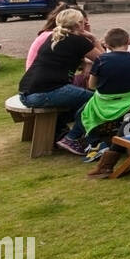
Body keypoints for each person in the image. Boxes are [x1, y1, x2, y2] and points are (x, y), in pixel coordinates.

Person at [17, 8, 105, 155]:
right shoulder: (79, 41)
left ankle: (78, 135)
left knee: (81, 101)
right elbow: (105, 60)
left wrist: (84, 64)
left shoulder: (53, 37)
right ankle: (72, 137)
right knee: (96, 100)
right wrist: (94, 39)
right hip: (46, 91)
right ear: (79, 24)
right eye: (83, 22)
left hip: (27, 92)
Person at [78, 28, 130, 153]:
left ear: (107, 45)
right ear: (129, 41)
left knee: (83, 113)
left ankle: (93, 142)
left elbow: (92, 85)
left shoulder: (101, 59)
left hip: (105, 100)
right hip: (129, 98)